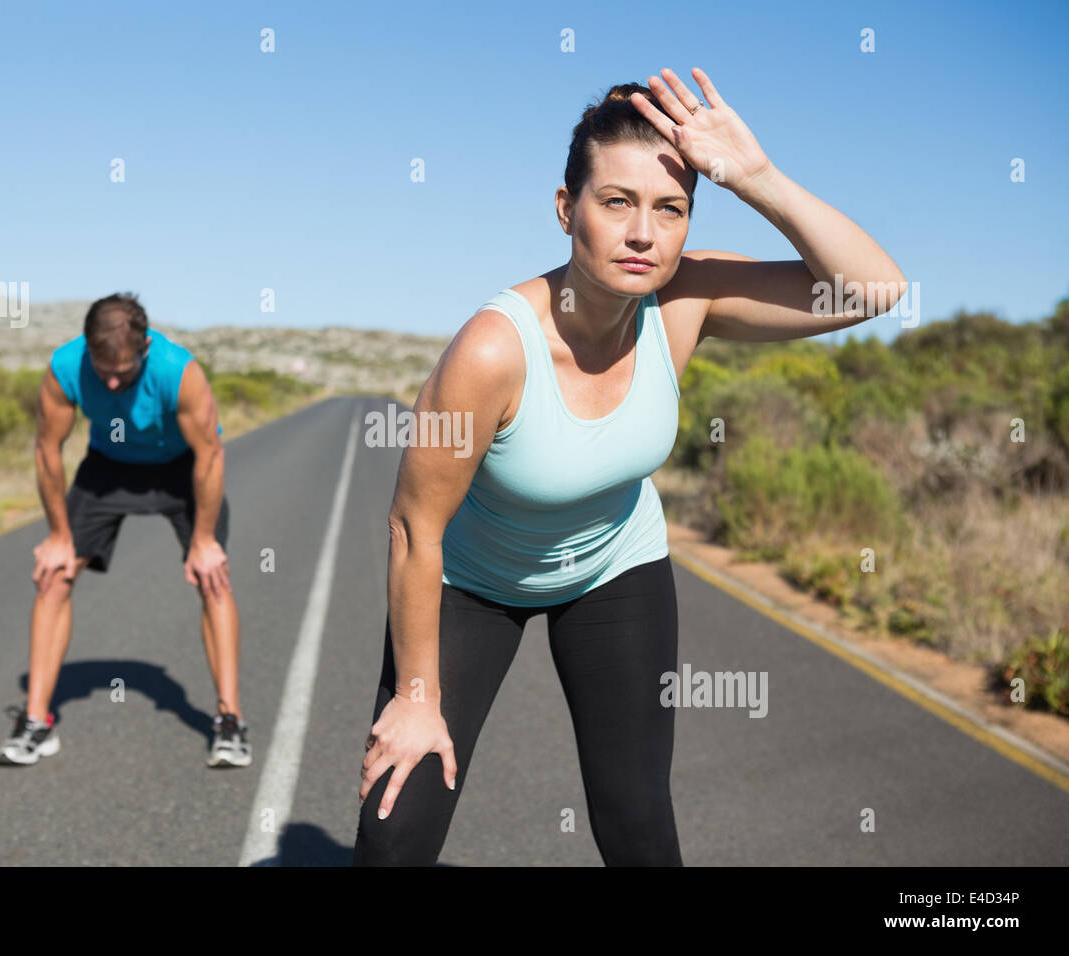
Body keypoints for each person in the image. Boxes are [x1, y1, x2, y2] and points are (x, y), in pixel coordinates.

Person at [353, 68, 906, 865]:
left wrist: (757, 178)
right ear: (564, 208)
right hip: (471, 582)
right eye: (616, 202)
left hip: (616, 569)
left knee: (638, 821)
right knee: (395, 826)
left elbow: (875, 290)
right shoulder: (493, 349)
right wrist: (415, 698)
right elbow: (414, 528)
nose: (643, 233)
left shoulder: (686, 301)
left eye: (670, 208)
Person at [0, 292, 250, 769]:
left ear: (146, 350)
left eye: (124, 372)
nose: (112, 381)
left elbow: (210, 455)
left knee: (213, 577)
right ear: (87, 348)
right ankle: (35, 723)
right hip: (108, 469)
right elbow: (48, 450)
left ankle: (229, 722)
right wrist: (57, 536)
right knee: (55, 575)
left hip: (180, 470)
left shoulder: (178, 371)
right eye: (103, 370)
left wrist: (203, 541)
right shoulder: (66, 366)